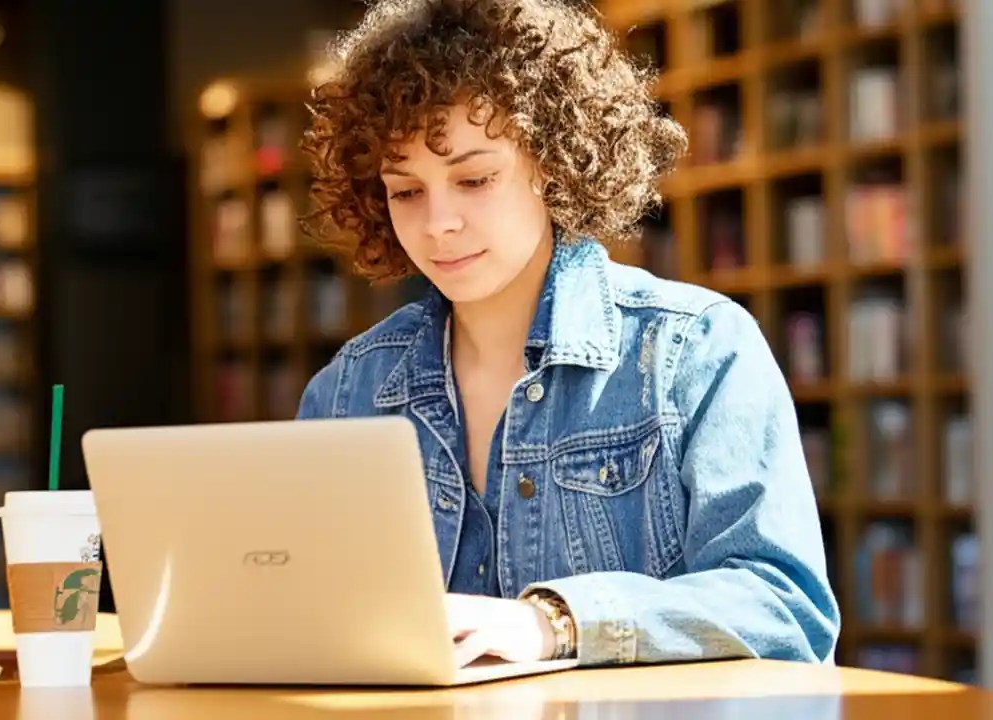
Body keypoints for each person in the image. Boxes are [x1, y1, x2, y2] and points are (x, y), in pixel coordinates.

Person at [295, 0, 840, 669]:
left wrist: (554, 622)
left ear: (552, 162)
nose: (439, 222)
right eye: (406, 191)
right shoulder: (350, 387)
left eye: (474, 179)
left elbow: (783, 609)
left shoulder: (696, 349)